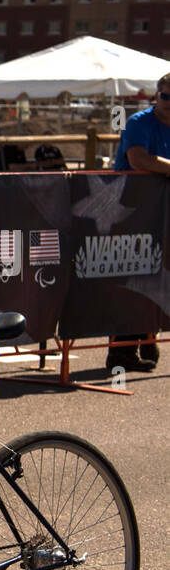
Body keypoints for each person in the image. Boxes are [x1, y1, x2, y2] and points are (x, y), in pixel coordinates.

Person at [107, 75, 170, 373]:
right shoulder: (138, 122)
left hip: (162, 211)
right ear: (156, 96)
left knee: (159, 275)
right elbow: (139, 160)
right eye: (165, 96)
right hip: (132, 212)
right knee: (133, 276)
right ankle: (121, 351)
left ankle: (147, 334)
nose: (168, 103)